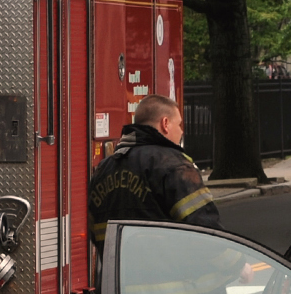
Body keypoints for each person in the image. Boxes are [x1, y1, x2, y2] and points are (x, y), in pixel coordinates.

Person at [87, 94, 222, 254]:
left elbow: (94, 231)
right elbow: (204, 226)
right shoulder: (173, 165)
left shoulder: (104, 169)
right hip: (169, 276)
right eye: (179, 124)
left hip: (120, 277)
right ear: (165, 124)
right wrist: (235, 265)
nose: (181, 131)